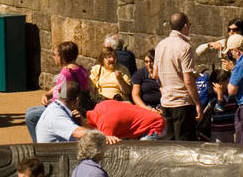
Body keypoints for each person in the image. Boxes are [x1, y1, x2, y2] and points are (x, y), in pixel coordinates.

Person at [153, 12, 202, 140]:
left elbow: (155, 74)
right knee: (185, 147)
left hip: (166, 102)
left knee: (170, 147)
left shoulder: (160, 45)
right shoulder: (185, 47)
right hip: (182, 103)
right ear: (185, 25)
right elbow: (188, 80)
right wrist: (197, 103)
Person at [86, 97, 165, 140]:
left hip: (155, 126)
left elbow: (104, 147)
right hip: (154, 119)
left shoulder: (105, 124)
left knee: (142, 156)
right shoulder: (101, 105)